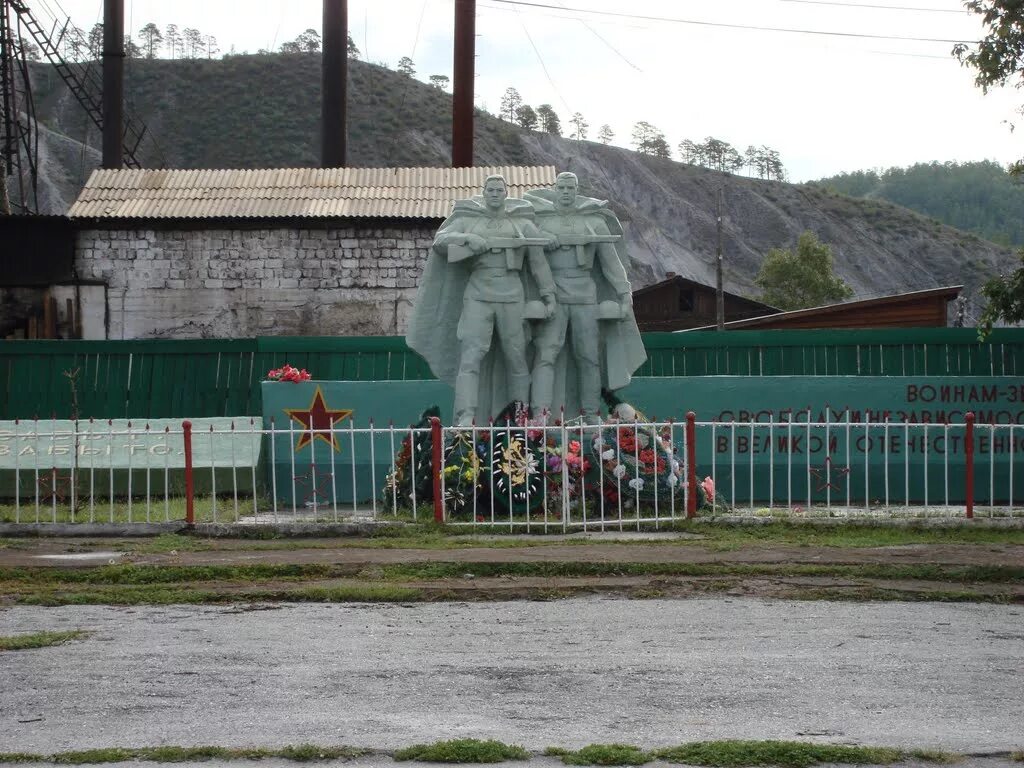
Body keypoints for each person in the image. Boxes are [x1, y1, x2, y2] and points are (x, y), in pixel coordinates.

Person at [407, 175, 556, 426]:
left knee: (517, 357)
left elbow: (538, 262)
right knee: (471, 357)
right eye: (491, 190)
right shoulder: (468, 220)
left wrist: (548, 295)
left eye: (500, 189)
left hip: (512, 295)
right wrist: (467, 239)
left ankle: (520, 416)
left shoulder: (521, 224)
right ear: (484, 193)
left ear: (506, 193)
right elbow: (440, 241)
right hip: (478, 294)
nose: (495, 194)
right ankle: (466, 415)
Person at [525, 172, 646, 419]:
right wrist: (538, 242)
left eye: (571, 187)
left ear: (577, 190)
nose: (566, 192)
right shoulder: (541, 222)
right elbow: (525, 257)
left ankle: (590, 413)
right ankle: (540, 414)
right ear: (555, 189)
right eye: (562, 187)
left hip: (584, 295)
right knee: (546, 353)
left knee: (589, 356)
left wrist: (625, 292)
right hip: (554, 293)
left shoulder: (594, 223)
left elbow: (611, 263)